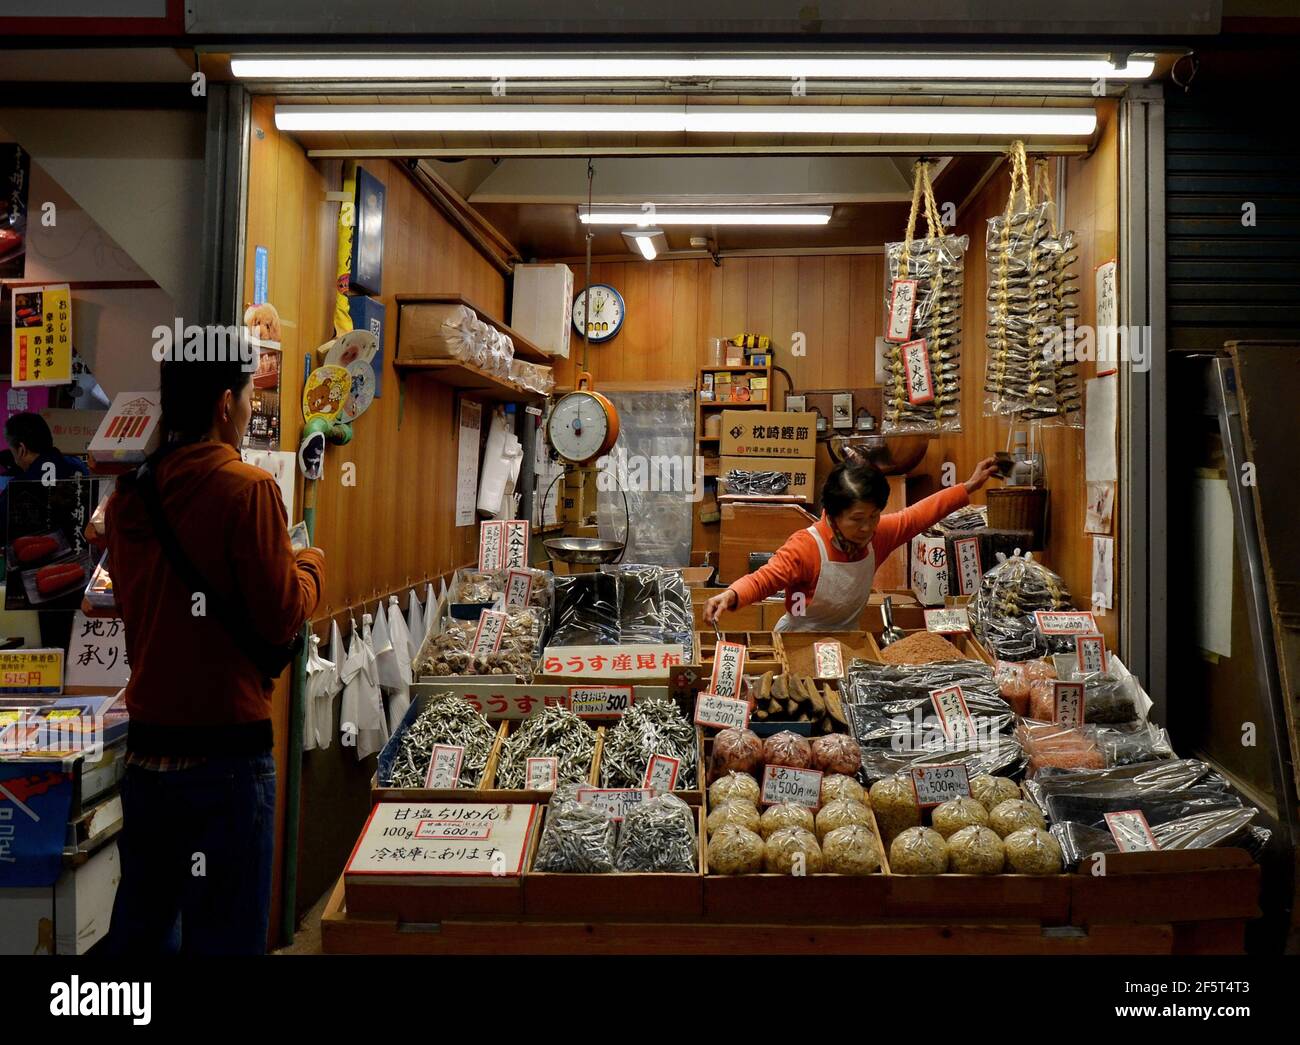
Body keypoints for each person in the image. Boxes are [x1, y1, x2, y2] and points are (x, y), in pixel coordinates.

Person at [105, 356, 325, 955]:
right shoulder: (248, 490)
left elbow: (131, 604)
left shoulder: (130, 494)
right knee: (225, 936)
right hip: (226, 757)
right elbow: (282, 613)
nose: (251, 407)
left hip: (148, 757)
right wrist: (310, 566)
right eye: (250, 397)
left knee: (146, 932)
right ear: (224, 403)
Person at [703, 453, 1000, 632]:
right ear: (832, 513)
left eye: (874, 516)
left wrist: (968, 486)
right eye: (857, 518)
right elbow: (764, 578)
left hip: (848, 643)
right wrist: (730, 596)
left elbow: (917, 516)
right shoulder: (806, 546)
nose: (867, 527)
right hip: (799, 640)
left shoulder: (877, 535)